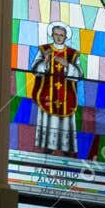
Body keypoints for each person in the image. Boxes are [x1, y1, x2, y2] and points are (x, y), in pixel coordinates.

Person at [29, 24, 82, 156]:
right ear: (52, 35)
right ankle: (48, 147)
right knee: (48, 119)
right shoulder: (44, 50)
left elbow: (79, 75)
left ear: (66, 37)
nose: (59, 37)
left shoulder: (73, 54)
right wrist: (45, 61)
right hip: (47, 93)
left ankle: (66, 148)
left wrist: (67, 65)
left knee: (66, 121)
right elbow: (35, 70)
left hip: (67, 95)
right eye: (56, 34)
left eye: (61, 35)